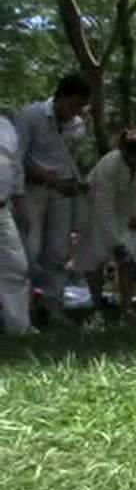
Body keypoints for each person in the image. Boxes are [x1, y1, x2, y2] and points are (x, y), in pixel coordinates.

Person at [15, 73, 92, 326]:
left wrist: (72, 181)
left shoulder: (77, 126)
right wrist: (48, 178)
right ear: (62, 97)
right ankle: (23, 309)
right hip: (32, 190)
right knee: (30, 249)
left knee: (58, 251)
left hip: (61, 192)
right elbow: (18, 158)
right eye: (75, 104)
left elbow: (69, 159)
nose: (76, 111)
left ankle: (53, 306)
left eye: (81, 106)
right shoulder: (31, 116)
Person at [70, 129, 136, 321]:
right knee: (94, 256)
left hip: (128, 209)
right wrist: (115, 244)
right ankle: (96, 307)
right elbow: (104, 209)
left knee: (129, 257)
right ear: (127, 153)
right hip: (96, 209)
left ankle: (126, 308)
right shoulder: (109, 165)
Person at [0, 113, 33, 335]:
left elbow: (16, 168)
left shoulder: (6, 127)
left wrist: (21, 206)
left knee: (16, 266)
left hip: (2, 208)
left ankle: (18, 327)